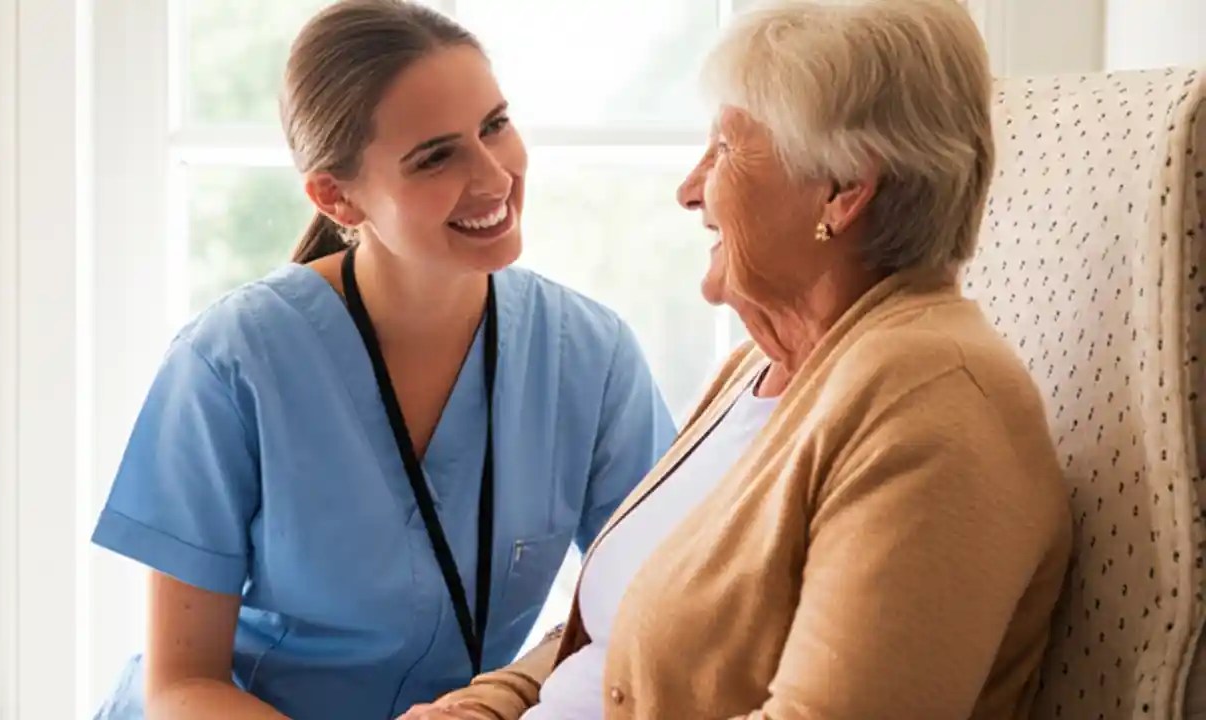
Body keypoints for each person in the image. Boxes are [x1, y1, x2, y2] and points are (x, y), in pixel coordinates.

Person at [418, 1, 1073, 718]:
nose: (690, 188)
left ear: (845, 188)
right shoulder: (758, 372)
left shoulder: (935, 405)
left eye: (726, 148)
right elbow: (624, 625)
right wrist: (486, 705)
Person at [88, 1, 676, 718]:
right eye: (436, 156)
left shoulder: (591, 357)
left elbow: (659, 602)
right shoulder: (230, 362)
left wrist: (506, 699)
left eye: (495, 125)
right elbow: (182, 683)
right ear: (336, 195)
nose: (494, 178)